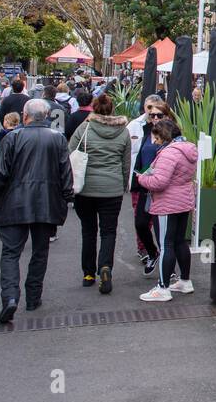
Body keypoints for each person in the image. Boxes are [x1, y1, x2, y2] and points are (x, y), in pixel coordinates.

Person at [0, 99, 74, 323]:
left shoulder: (12, 137)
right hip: (45, 202)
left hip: (13, 202)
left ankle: (10, 297)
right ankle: (33, 296)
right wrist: (67, 197)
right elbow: (66, 172)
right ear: (45, 115)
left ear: (25, 115)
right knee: (40, 251)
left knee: (10, 253)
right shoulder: (57, 139)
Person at [70, 94, 131, 294]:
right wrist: (122, 185)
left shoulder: (85, 128)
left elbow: (71, 152)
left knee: (88, 231)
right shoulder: (123, 132)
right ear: (112, 109)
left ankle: (88, 273)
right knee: (108, 231)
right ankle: (105, 266)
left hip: (85, 188)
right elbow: (126, 163)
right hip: (111, 189)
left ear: (94, 108)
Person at [136, 119, 198, 302]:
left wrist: (141, 179)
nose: (154, 141)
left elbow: (159, 182)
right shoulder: (187, 149)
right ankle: (185, 281)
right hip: (183, 200)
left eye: (155, 137)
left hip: (167, 203)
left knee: (166, 244)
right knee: (179, 241)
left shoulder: (169, 153)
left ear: (163, 135)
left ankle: (163, 287)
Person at [128, 96, 171, 275]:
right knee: (140, 224)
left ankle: (168, 270)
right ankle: (152, 253)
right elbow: (136, 155)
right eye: (151, 115)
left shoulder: (172, 135)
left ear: (166, 116)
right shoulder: (145, 130)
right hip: (144, 185)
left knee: (163, 230)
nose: (154, 118)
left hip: (164, 188)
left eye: (158, 115)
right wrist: (135, 179)